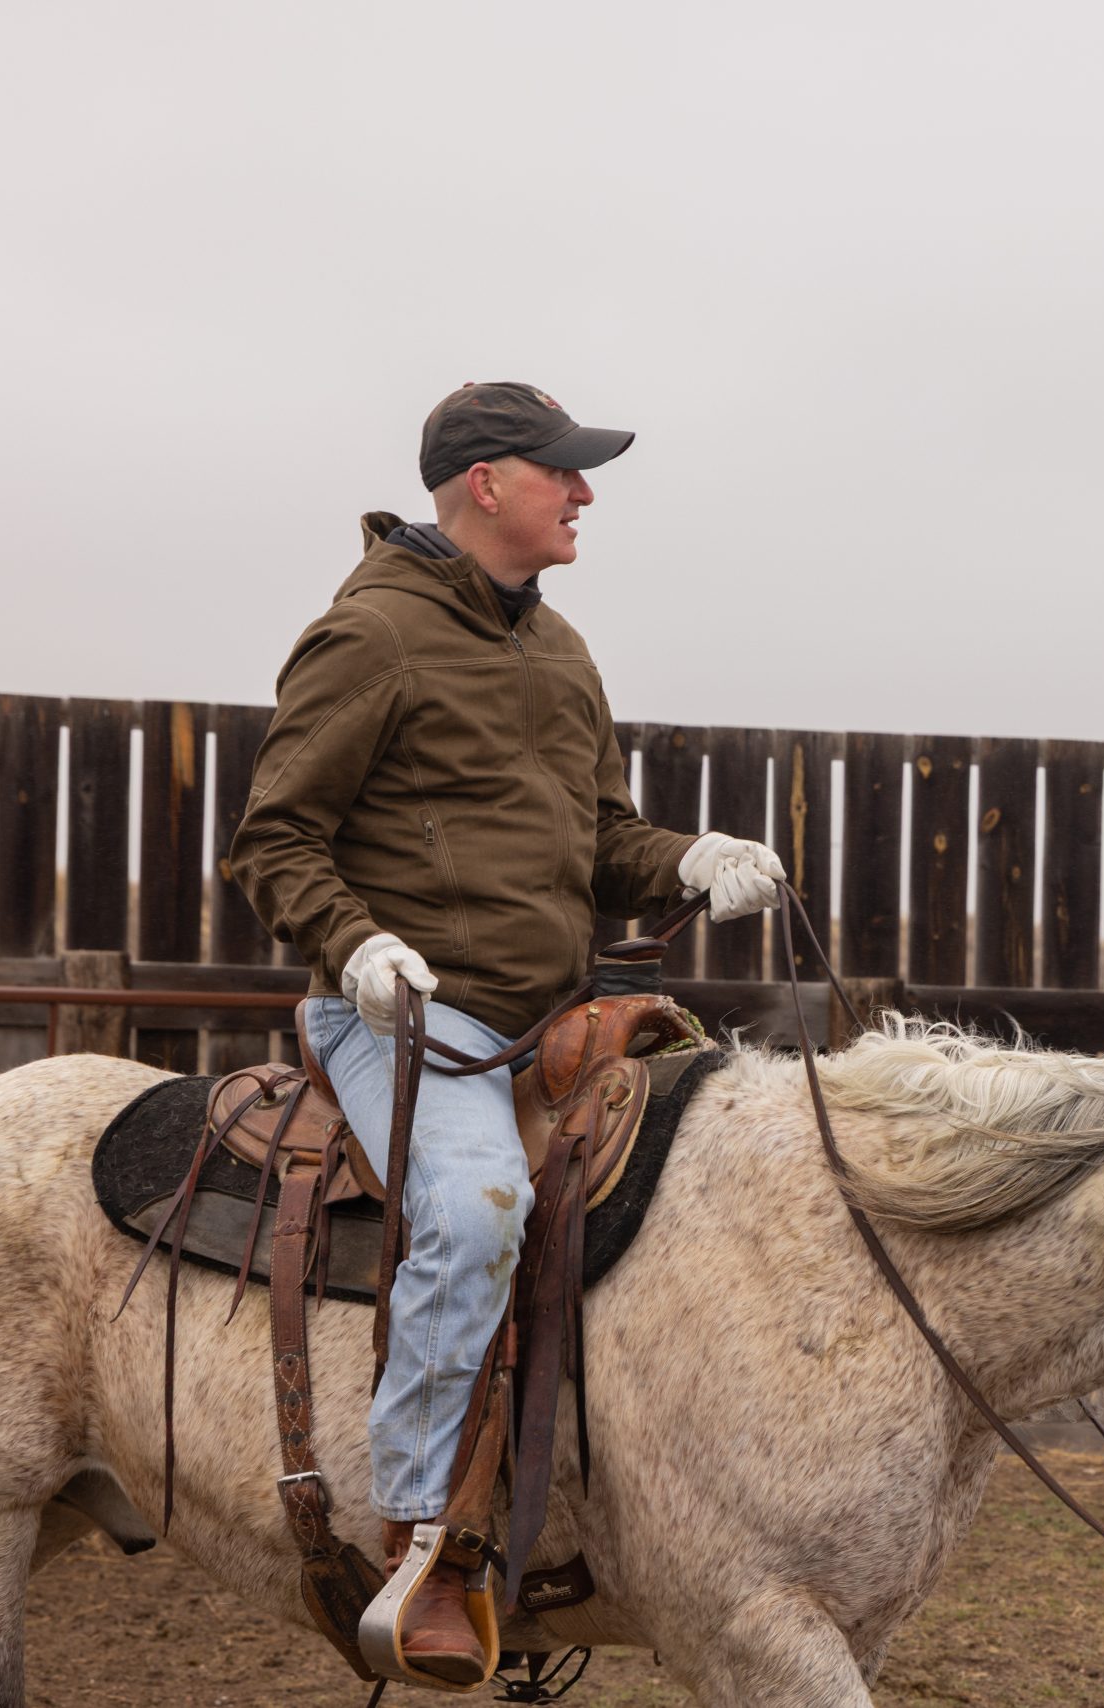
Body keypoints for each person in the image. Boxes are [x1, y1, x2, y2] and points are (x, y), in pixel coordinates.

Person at [230, 381, 785, 1682]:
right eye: (564, 473)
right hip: (405, 1022)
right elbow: (273, 838)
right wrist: (355, 944)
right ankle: (422, 1536)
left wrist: (689, 859)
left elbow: (602, 844)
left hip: (553, 1024)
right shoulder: (371, 637)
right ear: (487, 481)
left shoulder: (561, 649)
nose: (585, 493)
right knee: (478, 1207)